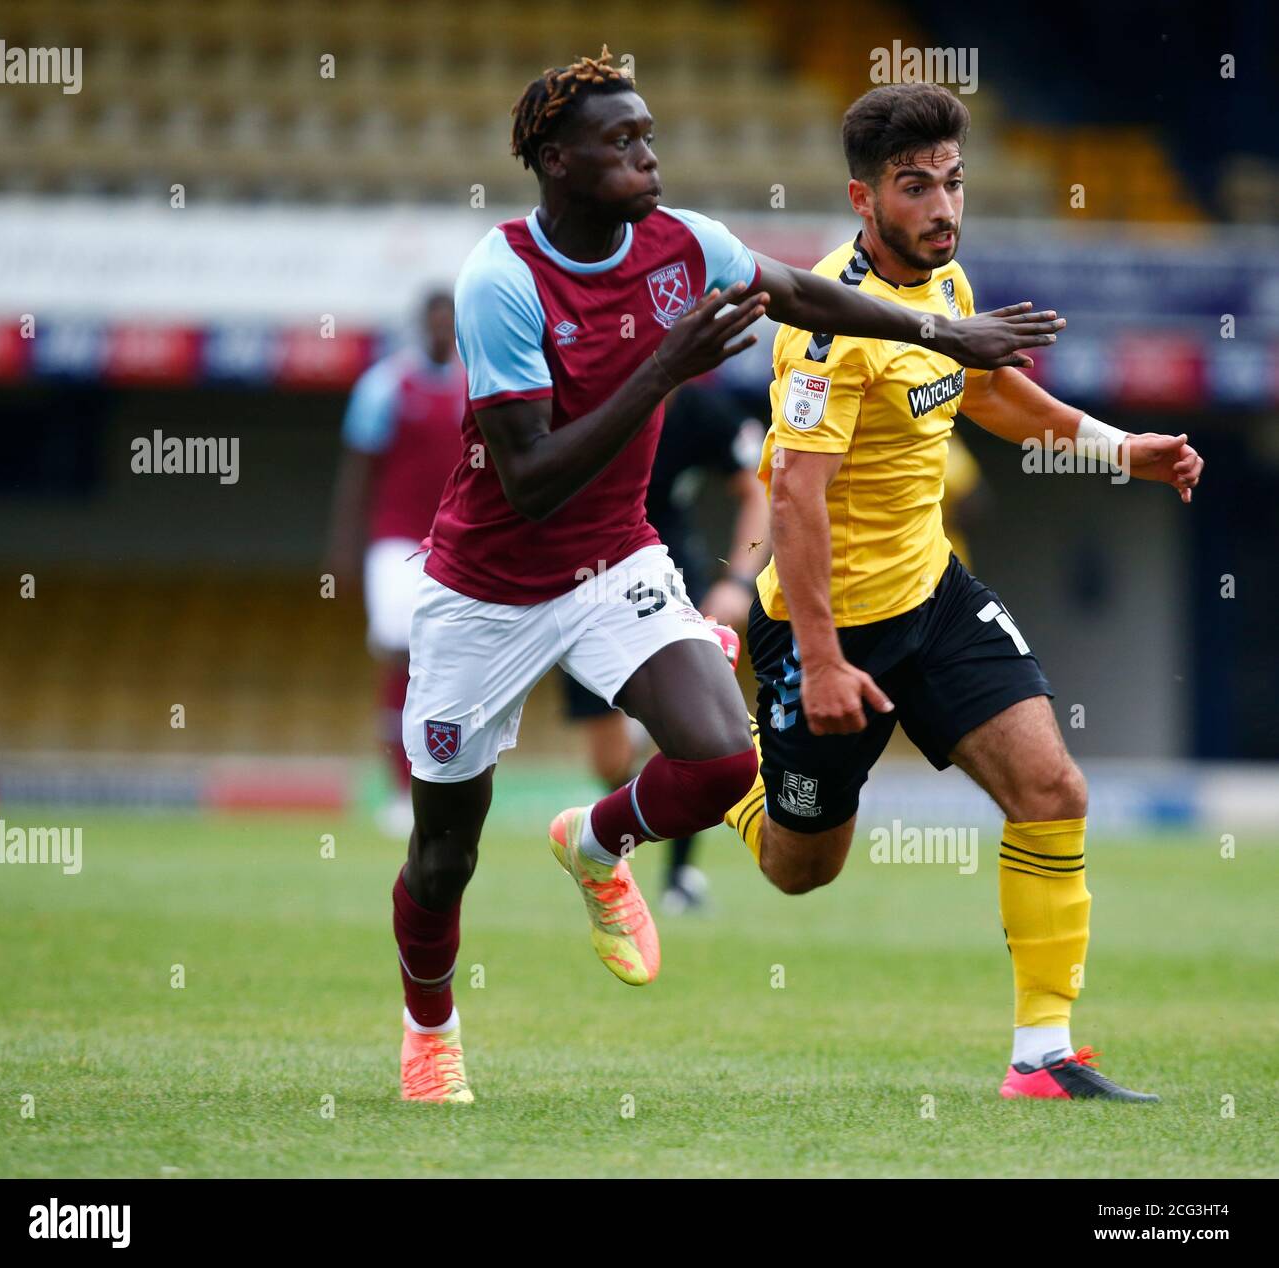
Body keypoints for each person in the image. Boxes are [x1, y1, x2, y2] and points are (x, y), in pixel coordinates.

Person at [392, 48, 1062, 1104]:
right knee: (443, 854)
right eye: (623, 142)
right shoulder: (500, 278)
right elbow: (527, 480)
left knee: (718, 766)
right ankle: (428, 1029)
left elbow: (801, 292)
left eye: (651, 134)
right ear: (557, 162)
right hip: (486, 587)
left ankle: (598, 839)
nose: (650, 155)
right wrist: (665, 363)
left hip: (615, 560)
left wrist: (949, 330)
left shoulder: (681, 244)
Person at [722, 82, 1203, 1102]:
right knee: (798, 869)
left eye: (951, 182)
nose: (941, 207)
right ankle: (719, 762)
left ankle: (1041, 1054)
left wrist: (1122, 448)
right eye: (913, 187)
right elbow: (795, 497)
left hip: (932, 598)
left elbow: (987, 392)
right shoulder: (821, 328)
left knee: (1051, 791)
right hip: (826, 628)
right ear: (863, 199)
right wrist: (816, 659)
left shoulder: (945, 284)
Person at [561, 380, 770, 913]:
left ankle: (679, 876)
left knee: (693, 740)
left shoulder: (705, 408)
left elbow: (759, 491)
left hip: (669, 576)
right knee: (609, 758)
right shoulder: (592, 395)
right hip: (586, 583)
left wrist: (739, 579)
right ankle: (609, 841)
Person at [324, 292, 464, 837]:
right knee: (400, 653)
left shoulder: (473, 385)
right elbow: (358, 470)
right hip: (395, 540)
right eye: (433, 323)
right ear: (419, 326)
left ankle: (444, 786)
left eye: (448, 325)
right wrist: (343, 547)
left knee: (446, 664)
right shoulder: (385, 386)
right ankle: (400, 788)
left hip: (453, 543)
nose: (440, 333)